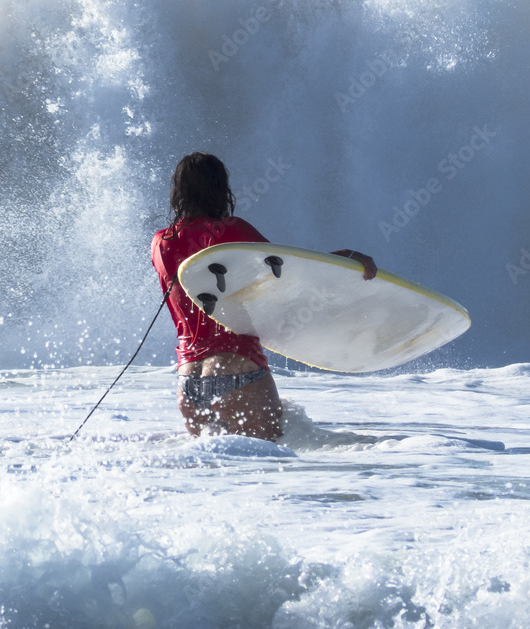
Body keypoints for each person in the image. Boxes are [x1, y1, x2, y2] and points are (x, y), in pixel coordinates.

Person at [151, 152, 376, 441]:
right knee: (266, 469)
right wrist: (345, 259)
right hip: (235, 365)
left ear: (178, 191)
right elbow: (286, 272)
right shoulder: (231, 230)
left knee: (215, 476)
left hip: (188, 381)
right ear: (221, 188)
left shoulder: (160, 242)